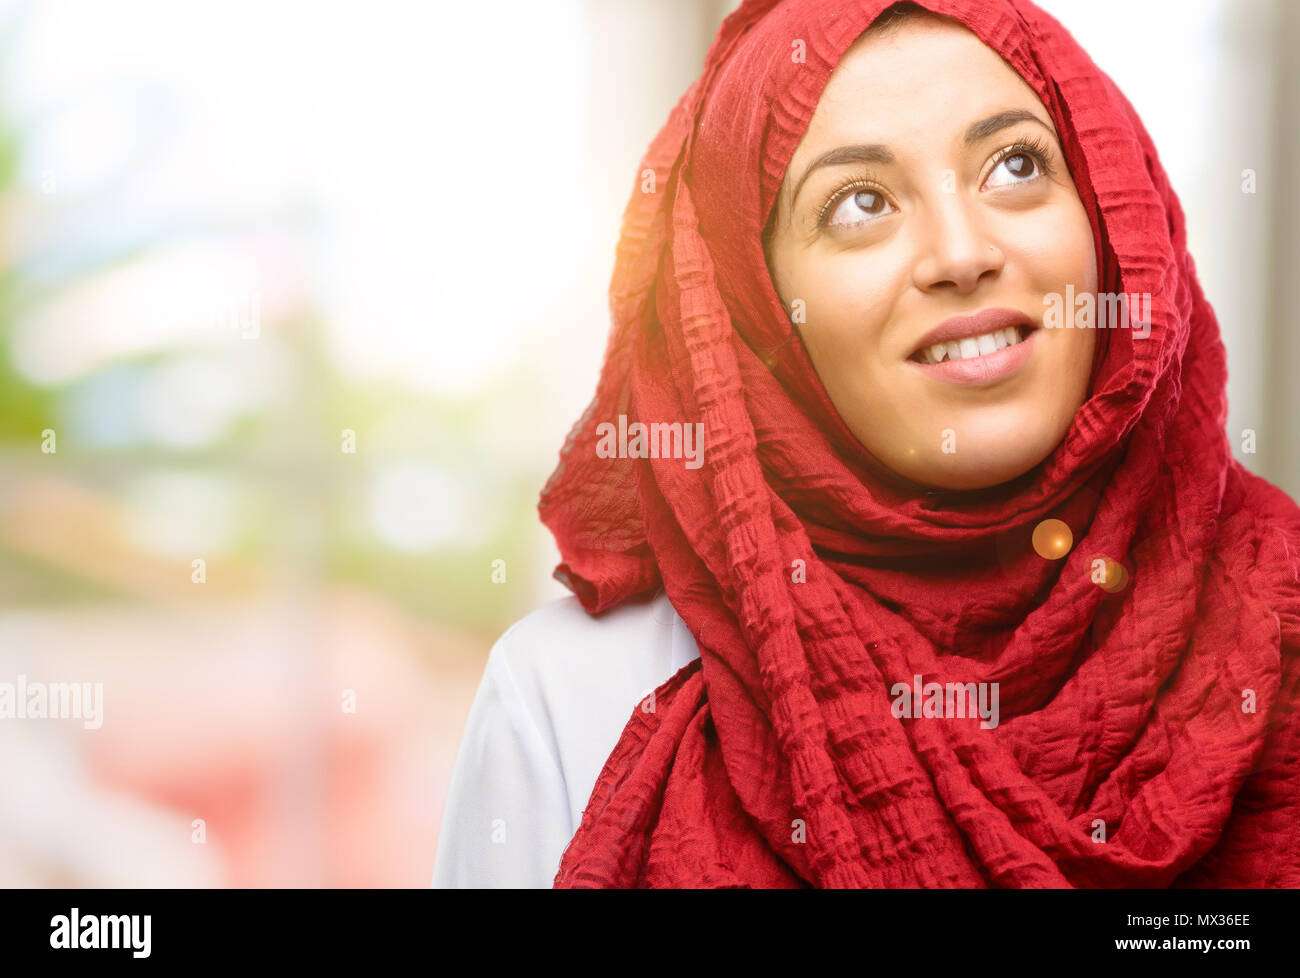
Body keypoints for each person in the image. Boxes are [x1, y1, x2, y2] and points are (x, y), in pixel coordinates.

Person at [433, 0, 1300, 888]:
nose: (961, 254)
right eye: (859, 203)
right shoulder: (569, 700)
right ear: (754, 309)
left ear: (1115, 224)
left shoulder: (1285, 619)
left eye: (1015, 164)